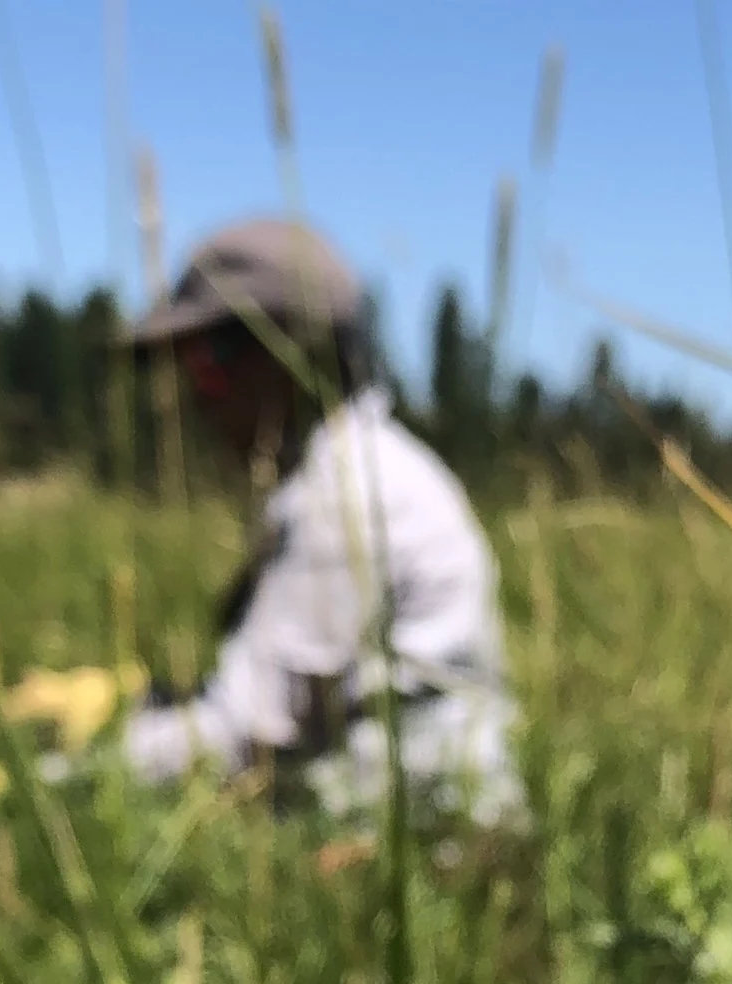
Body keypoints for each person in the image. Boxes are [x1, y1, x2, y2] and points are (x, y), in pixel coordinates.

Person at [43, 216, 524, 832]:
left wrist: (58, 771)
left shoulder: (346, 497)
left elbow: (246, 731)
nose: (195, 393)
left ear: (296, 352)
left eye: (211, 357)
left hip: (401, 844)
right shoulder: (355, 467)